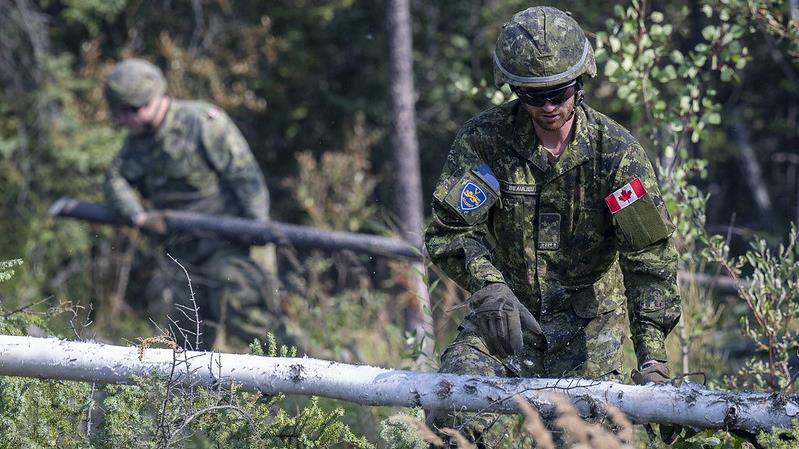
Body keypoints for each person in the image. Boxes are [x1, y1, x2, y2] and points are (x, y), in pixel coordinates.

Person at [424, 6, 681, 446]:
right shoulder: (486, 141)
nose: (547, 107)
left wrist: (653, 360)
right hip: (503, 326)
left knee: (591, 440)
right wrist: (487, 286)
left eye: (559, 93)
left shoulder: (615, 156)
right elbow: (450, 231)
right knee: (452, 408)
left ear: (581, 81)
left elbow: (648, 262)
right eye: (531, 94)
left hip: (587, 340)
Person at [103, 58, 286, 351]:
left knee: (253, 320)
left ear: (150, 102)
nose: (122, 121)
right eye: (119, 113)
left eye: (128, 112)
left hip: (230, 245)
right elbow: (115, 180)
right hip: (184, 256)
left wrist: (255, 227)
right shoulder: (136, 146)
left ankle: (315, 375)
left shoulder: (201, 123)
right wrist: (138, 216)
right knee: (186, 337)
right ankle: (193, 396)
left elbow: (245, 176)